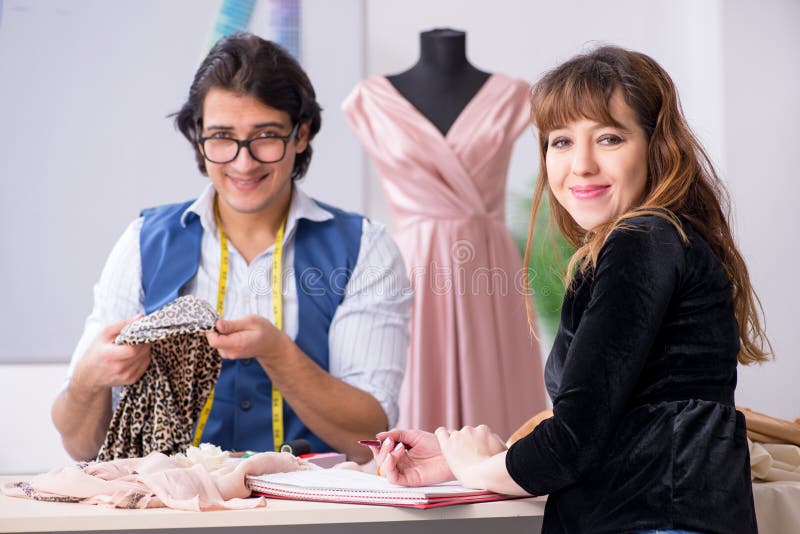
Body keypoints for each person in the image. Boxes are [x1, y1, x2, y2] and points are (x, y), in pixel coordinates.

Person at [368, 45, 771, 533]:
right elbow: (609, 432)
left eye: (608, 138)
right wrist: (460, 460)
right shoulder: (653, 243)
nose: (580, 165)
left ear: (655, 146)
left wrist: (474, 468)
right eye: (560, 141)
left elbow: (573, 442)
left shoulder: (641, 241)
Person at [52, 32, 412, 464]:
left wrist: (278, 353)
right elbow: (80, 446)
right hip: (171, 515)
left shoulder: (365, 250)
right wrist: (89, 381)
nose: (244, 163)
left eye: (266, 135)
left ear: (301, 135)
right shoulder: (142, 242)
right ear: (198, 139)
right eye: (222, 136)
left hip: (310, 515)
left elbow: (368, 437)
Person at [343, 28, 547, 439]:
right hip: (411, 266)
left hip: (490, 269)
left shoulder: (512, 96)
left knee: (499, 403)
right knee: (413, 383)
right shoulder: (370, 101)